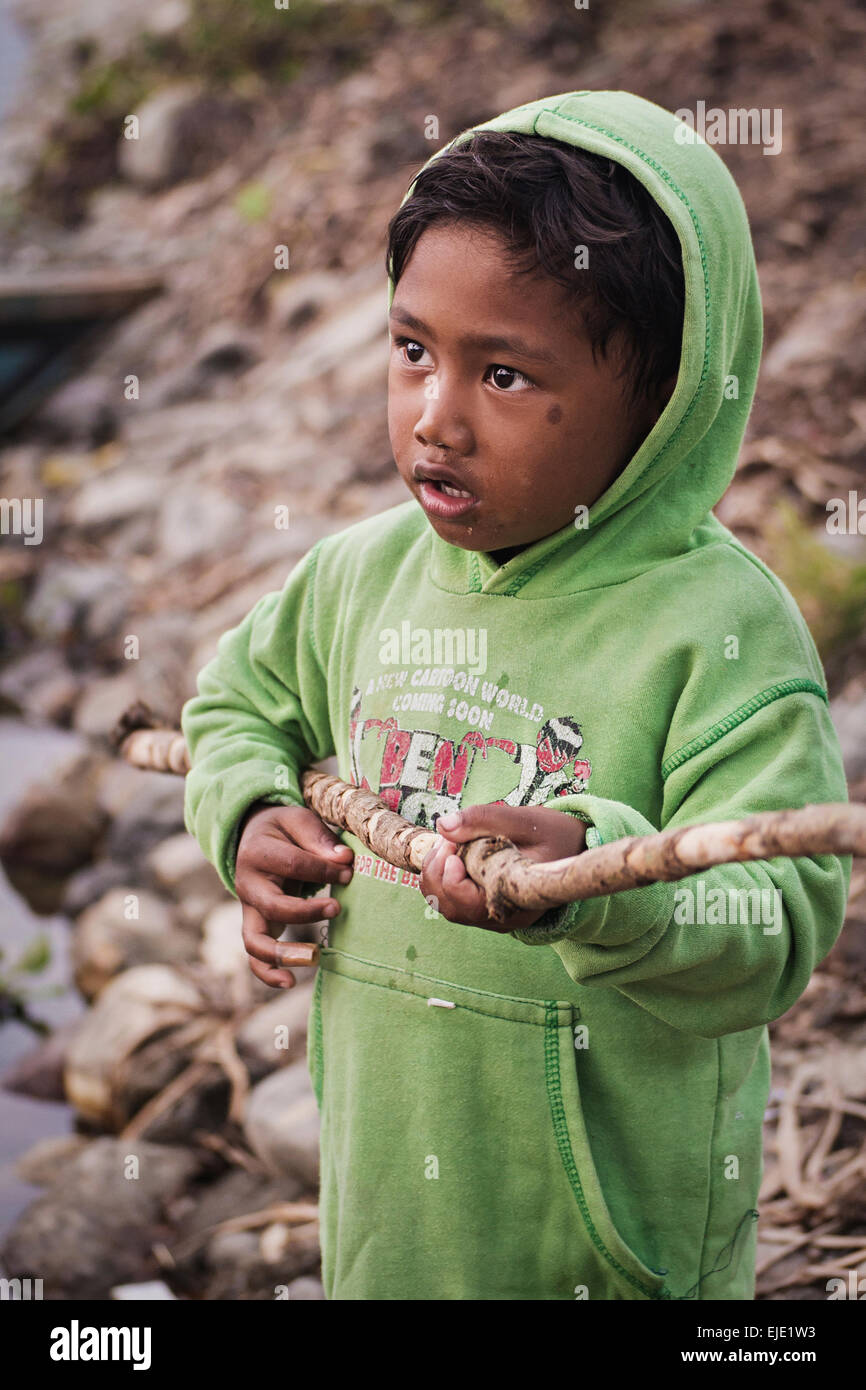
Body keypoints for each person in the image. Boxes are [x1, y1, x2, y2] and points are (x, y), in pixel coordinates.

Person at [180, 90, 851, 1300]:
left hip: (608, 1256)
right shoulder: (356, 577)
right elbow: (234, 702)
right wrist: (247, 816)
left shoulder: (715, 629)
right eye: (410, 350)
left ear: (658, 402)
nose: (433, 418)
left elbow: (776, 921)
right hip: (392, 1225)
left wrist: (602, 880)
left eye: (501, 373)